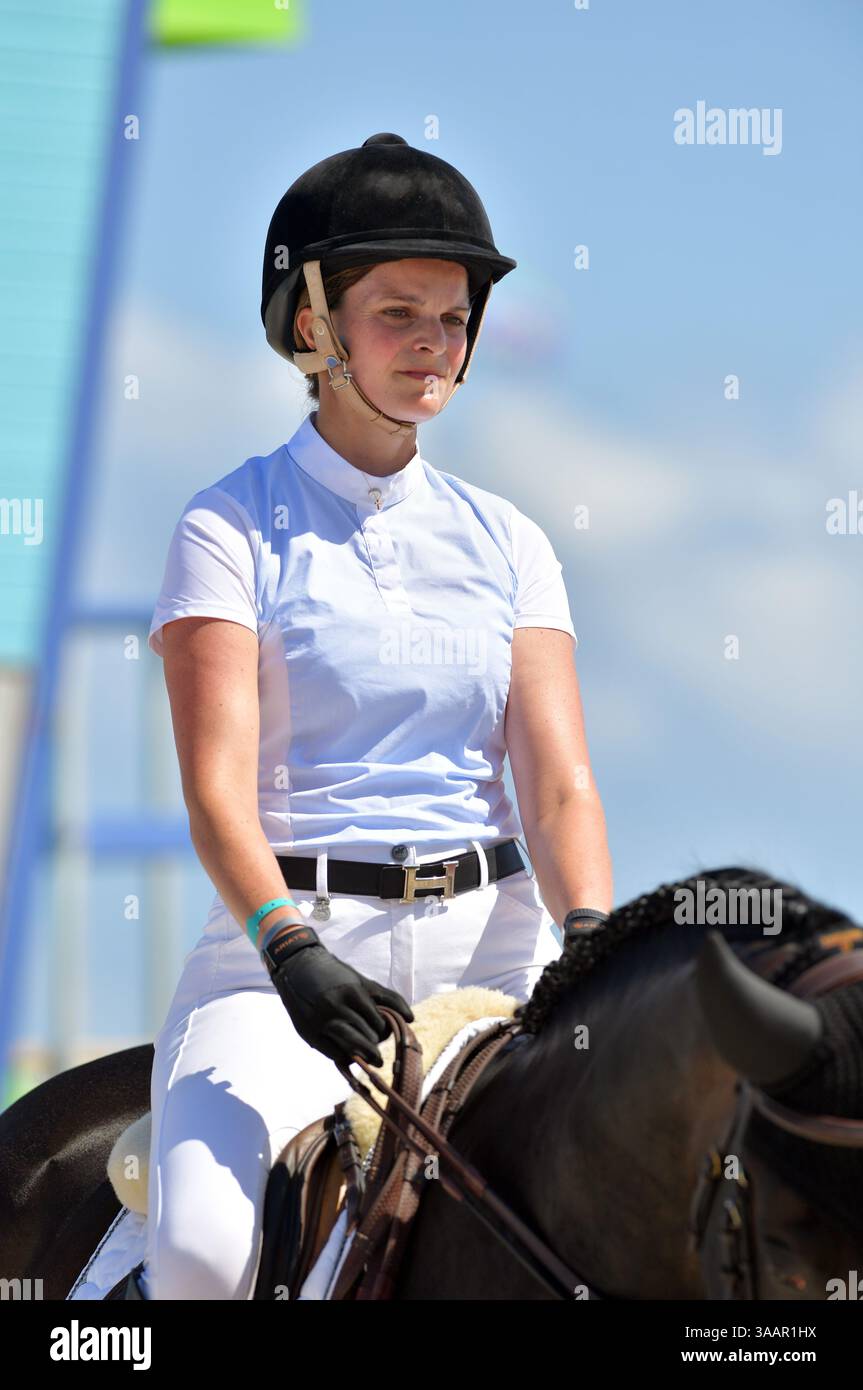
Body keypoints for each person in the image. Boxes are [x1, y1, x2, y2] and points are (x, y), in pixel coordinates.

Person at [129, 133, 613, 1300]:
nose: (433, 344)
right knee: (199, 1255)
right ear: (313, 325)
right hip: (286, 957)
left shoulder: (510, 542)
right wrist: (287, 947)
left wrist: (593, 940)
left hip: (495, 947)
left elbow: (555, 787)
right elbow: (213, 789)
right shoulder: (227, 527)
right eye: (398, 313)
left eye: (450, 319)